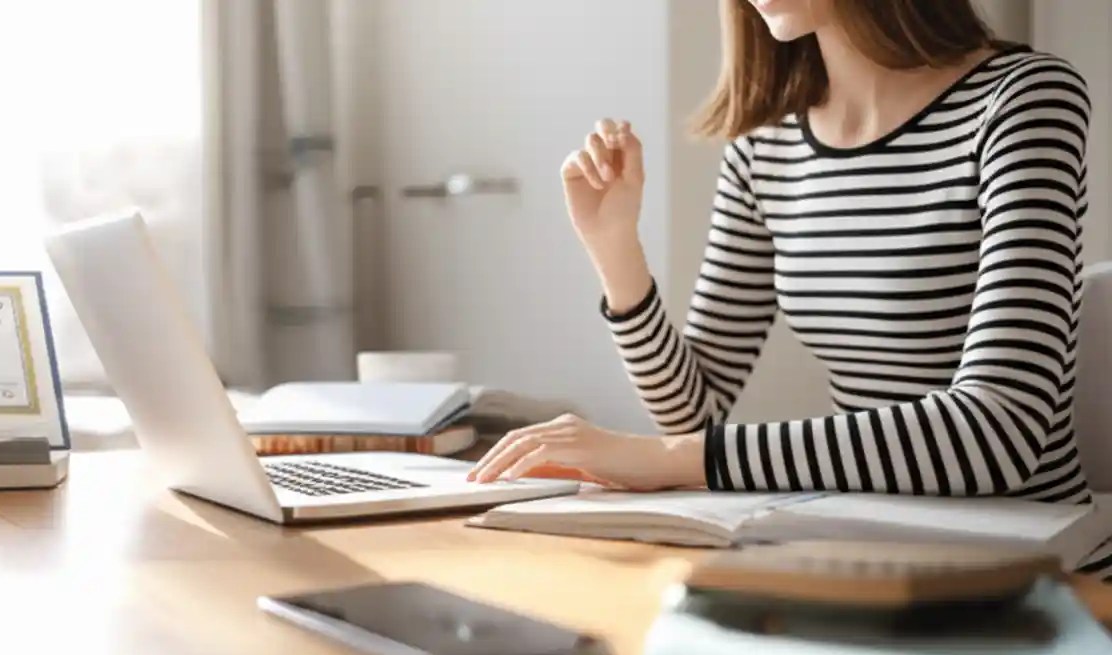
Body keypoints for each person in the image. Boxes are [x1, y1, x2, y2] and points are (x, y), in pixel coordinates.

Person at [467, 0, 1111, 578]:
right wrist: (616, 252)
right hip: (874, 552)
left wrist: (665, 458)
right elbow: (696, 408)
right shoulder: (765, 148)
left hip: (1044, 574)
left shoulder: (1024, 100)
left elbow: (1000, 430)